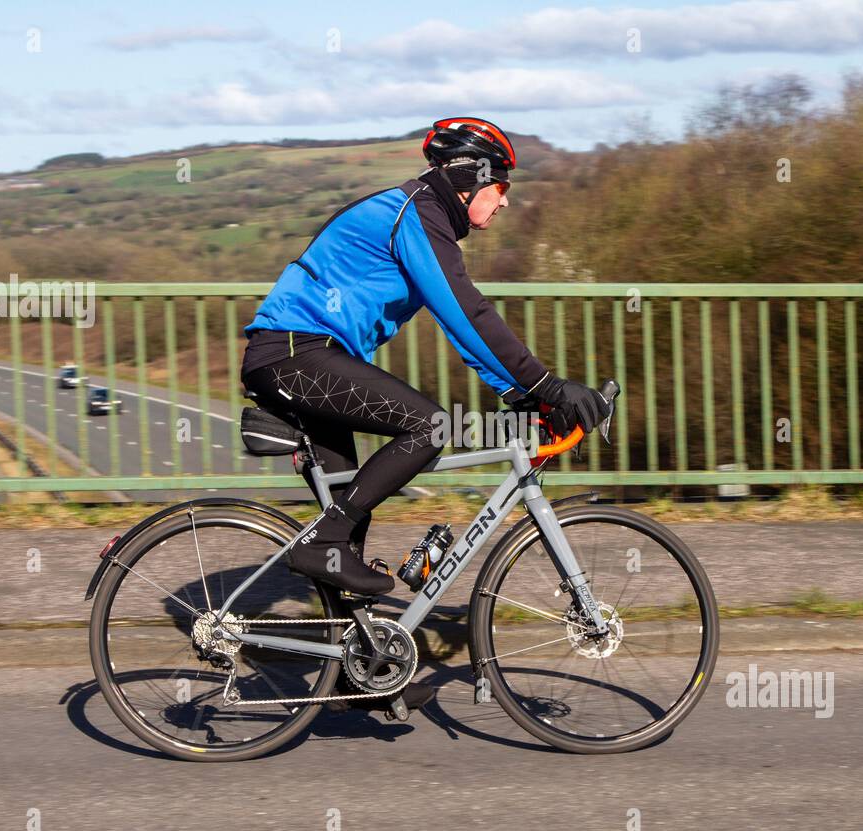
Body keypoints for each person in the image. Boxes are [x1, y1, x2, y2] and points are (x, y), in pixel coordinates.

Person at [241, 117, 610, 595]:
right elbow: (466, 312)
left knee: (347, 538)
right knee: (430, 426)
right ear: (471, 177)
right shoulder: (417, 214)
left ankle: (357, 659)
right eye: (500, 185)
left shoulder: (421, 215)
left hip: (303, 356)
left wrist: (522, 396)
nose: (505, 199)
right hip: (295, 354)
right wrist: (546, 388)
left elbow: (461, 328)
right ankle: (320, 545)